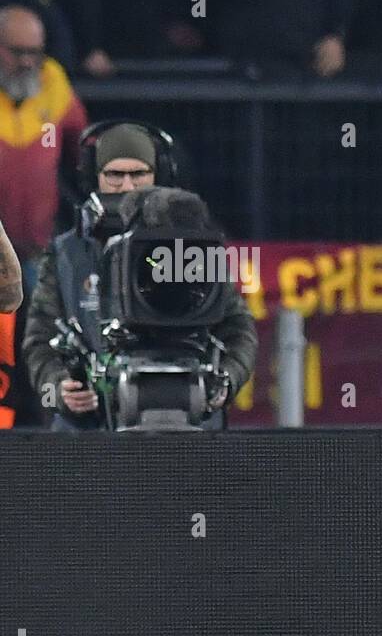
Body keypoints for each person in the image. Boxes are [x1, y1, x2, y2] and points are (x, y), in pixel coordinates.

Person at [24, 151, 257, 430]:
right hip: (91, 426)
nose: (127, 186)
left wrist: (226, 382)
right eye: (114, 175)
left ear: (158, 175)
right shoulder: (64, 254)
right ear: (93, 178)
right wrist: (59, 387)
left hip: (193, 412)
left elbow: (239, 330)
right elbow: (40, 338)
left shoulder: (196, 249)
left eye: (138, 174)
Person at [0, 4, 88, 427]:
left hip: (34, 249)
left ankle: (39, 443)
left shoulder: (52, 81)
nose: (27, 62)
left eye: (34, 51)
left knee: (38, 345)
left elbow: (80, 148)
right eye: (17, 51)